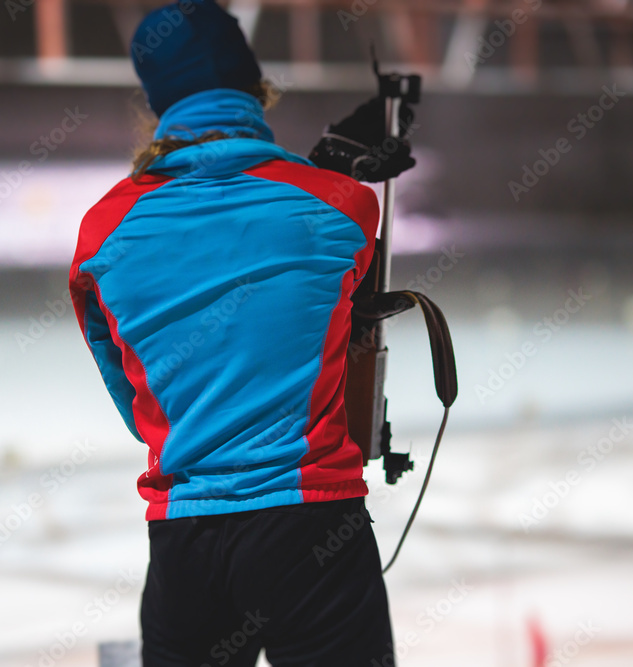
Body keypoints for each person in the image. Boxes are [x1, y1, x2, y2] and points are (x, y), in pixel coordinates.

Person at [68, 1, 416, 664]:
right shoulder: (345, 204)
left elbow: (135, 402)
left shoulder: (101, 233)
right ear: (258, 91)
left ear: (155, 104)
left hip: (185, 542)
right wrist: (328, 169)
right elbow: (336, 322)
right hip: (314, 528)